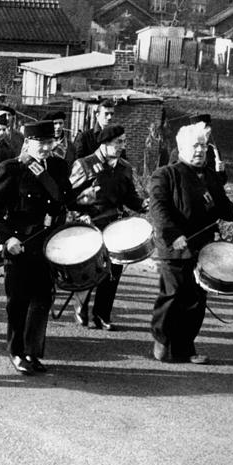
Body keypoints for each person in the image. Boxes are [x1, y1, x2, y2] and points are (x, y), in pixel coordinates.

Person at [0, 120, 72, 375]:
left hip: (49, 243)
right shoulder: (11, 169)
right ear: (28, 143)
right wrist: (7, 238)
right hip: (19, 245)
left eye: (48, 143)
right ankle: (17, 352)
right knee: (18, 301)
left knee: (43, 298)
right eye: (39, 143)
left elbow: (65, 198)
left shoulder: (57, 166)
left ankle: (33, 351)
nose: (44, 148)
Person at [148, 121, 233, 364]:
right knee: (173, 295)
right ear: (181, 148)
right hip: (175, 246)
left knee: (197, 299)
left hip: (203, 248)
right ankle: (163, 341)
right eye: (195, 146)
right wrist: (173, 235)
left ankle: (186, 347)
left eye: (203, 145)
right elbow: (158, 208)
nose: (200, 150)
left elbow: (223, 207)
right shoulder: (165, 174)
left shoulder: (209, 175)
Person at [69, 125, 146, 330]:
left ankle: (102, 314)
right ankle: (81, 306)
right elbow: (69, 197)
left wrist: (142, 205)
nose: (122, 146)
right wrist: (80, 214)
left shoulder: (125, 167)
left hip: (116, 225)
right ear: (104, 144)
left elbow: (130, 196)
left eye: (124, 141)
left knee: (114, 271)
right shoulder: (84, 164)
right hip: (90, 223)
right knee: (89, 268)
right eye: (118, 142)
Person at [167, 114, 226, 184]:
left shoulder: (213, 150)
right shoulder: (179, 151)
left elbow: (220, 182)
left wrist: (221, 172)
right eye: (204, 129)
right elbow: (171, 177)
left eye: (209, 129)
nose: (207, 132)